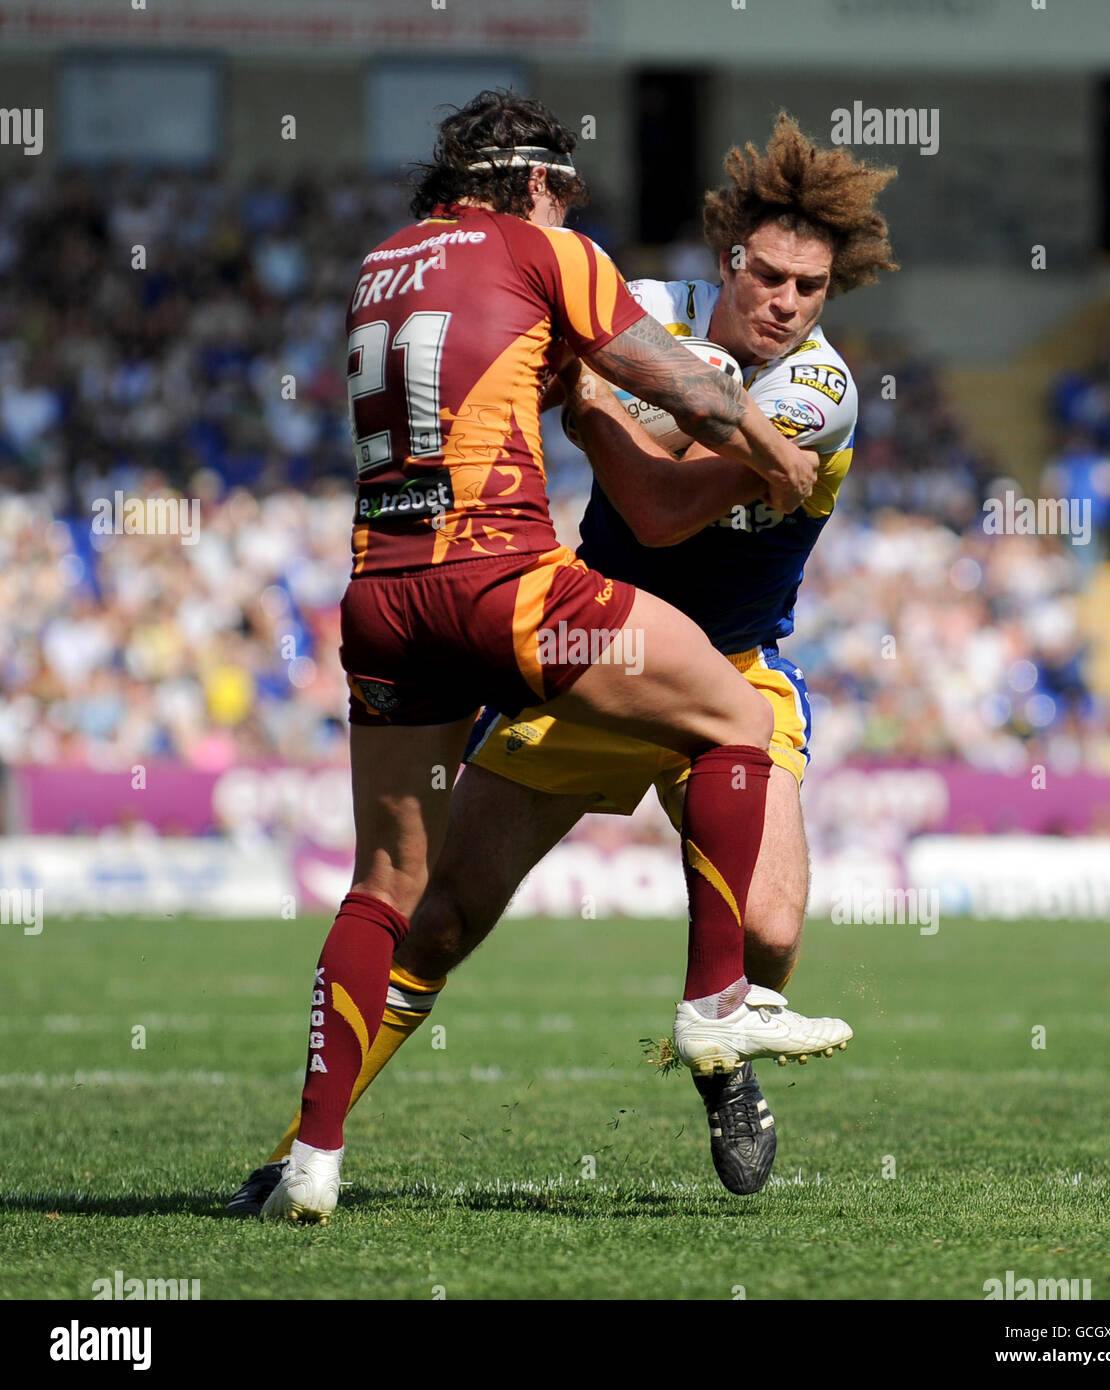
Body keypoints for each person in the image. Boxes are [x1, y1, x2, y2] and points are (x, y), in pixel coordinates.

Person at [230, 112, 896, 1211]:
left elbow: (662, 506)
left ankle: (723, 1063)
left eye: (810, 288)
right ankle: (297, 1149)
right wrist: (573, 387)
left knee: (771, 927)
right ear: (725, 261)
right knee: (436, 917)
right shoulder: (641, 306)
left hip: (718, 655)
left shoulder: (817, 391)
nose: (785, 302)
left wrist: (587, 404)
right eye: (767, 275)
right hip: (583, 647)